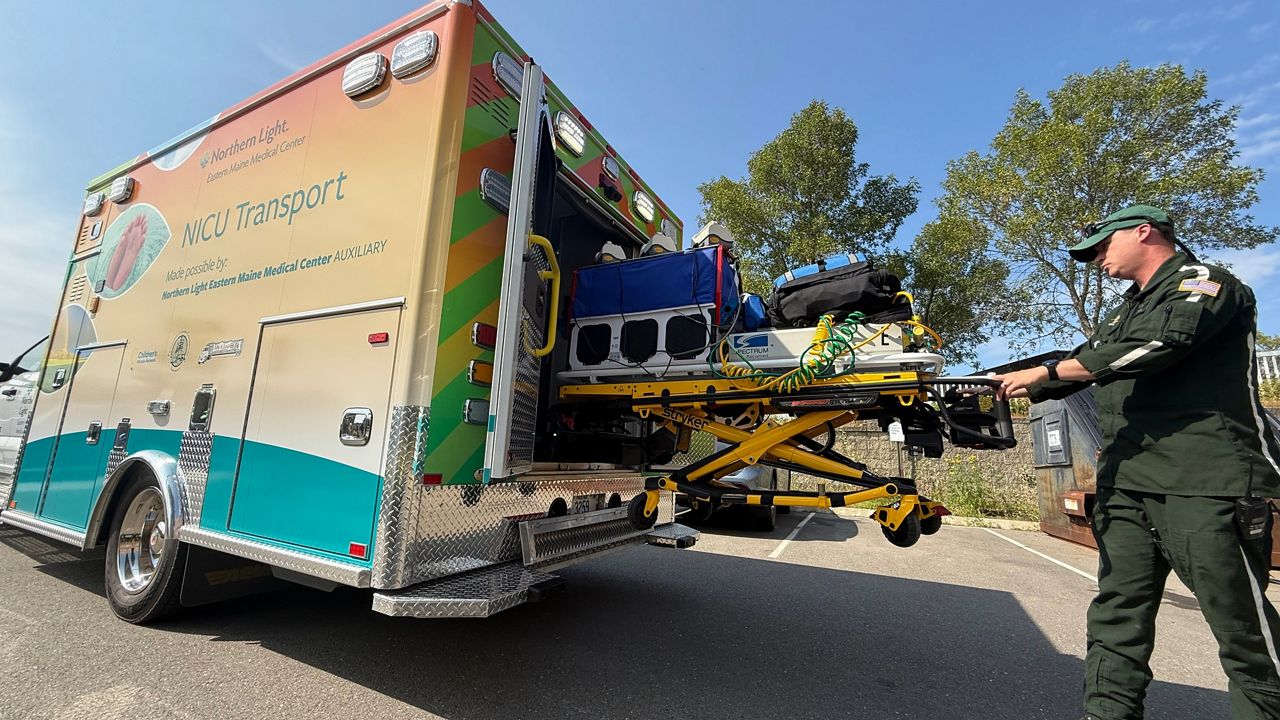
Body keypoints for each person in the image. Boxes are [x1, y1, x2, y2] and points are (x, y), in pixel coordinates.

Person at [991, 204, 1280, 719]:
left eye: (1103, 246)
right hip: (1126, 483)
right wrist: (999, 383)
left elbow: (1158, 344)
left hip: (1203, 481)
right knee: (1117, 618)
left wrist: (1048, 372)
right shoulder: (1123, 312)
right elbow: (1082, 361)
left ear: (1144, 232)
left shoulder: (1205, 284)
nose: (1097, 258)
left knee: (1242, 629)